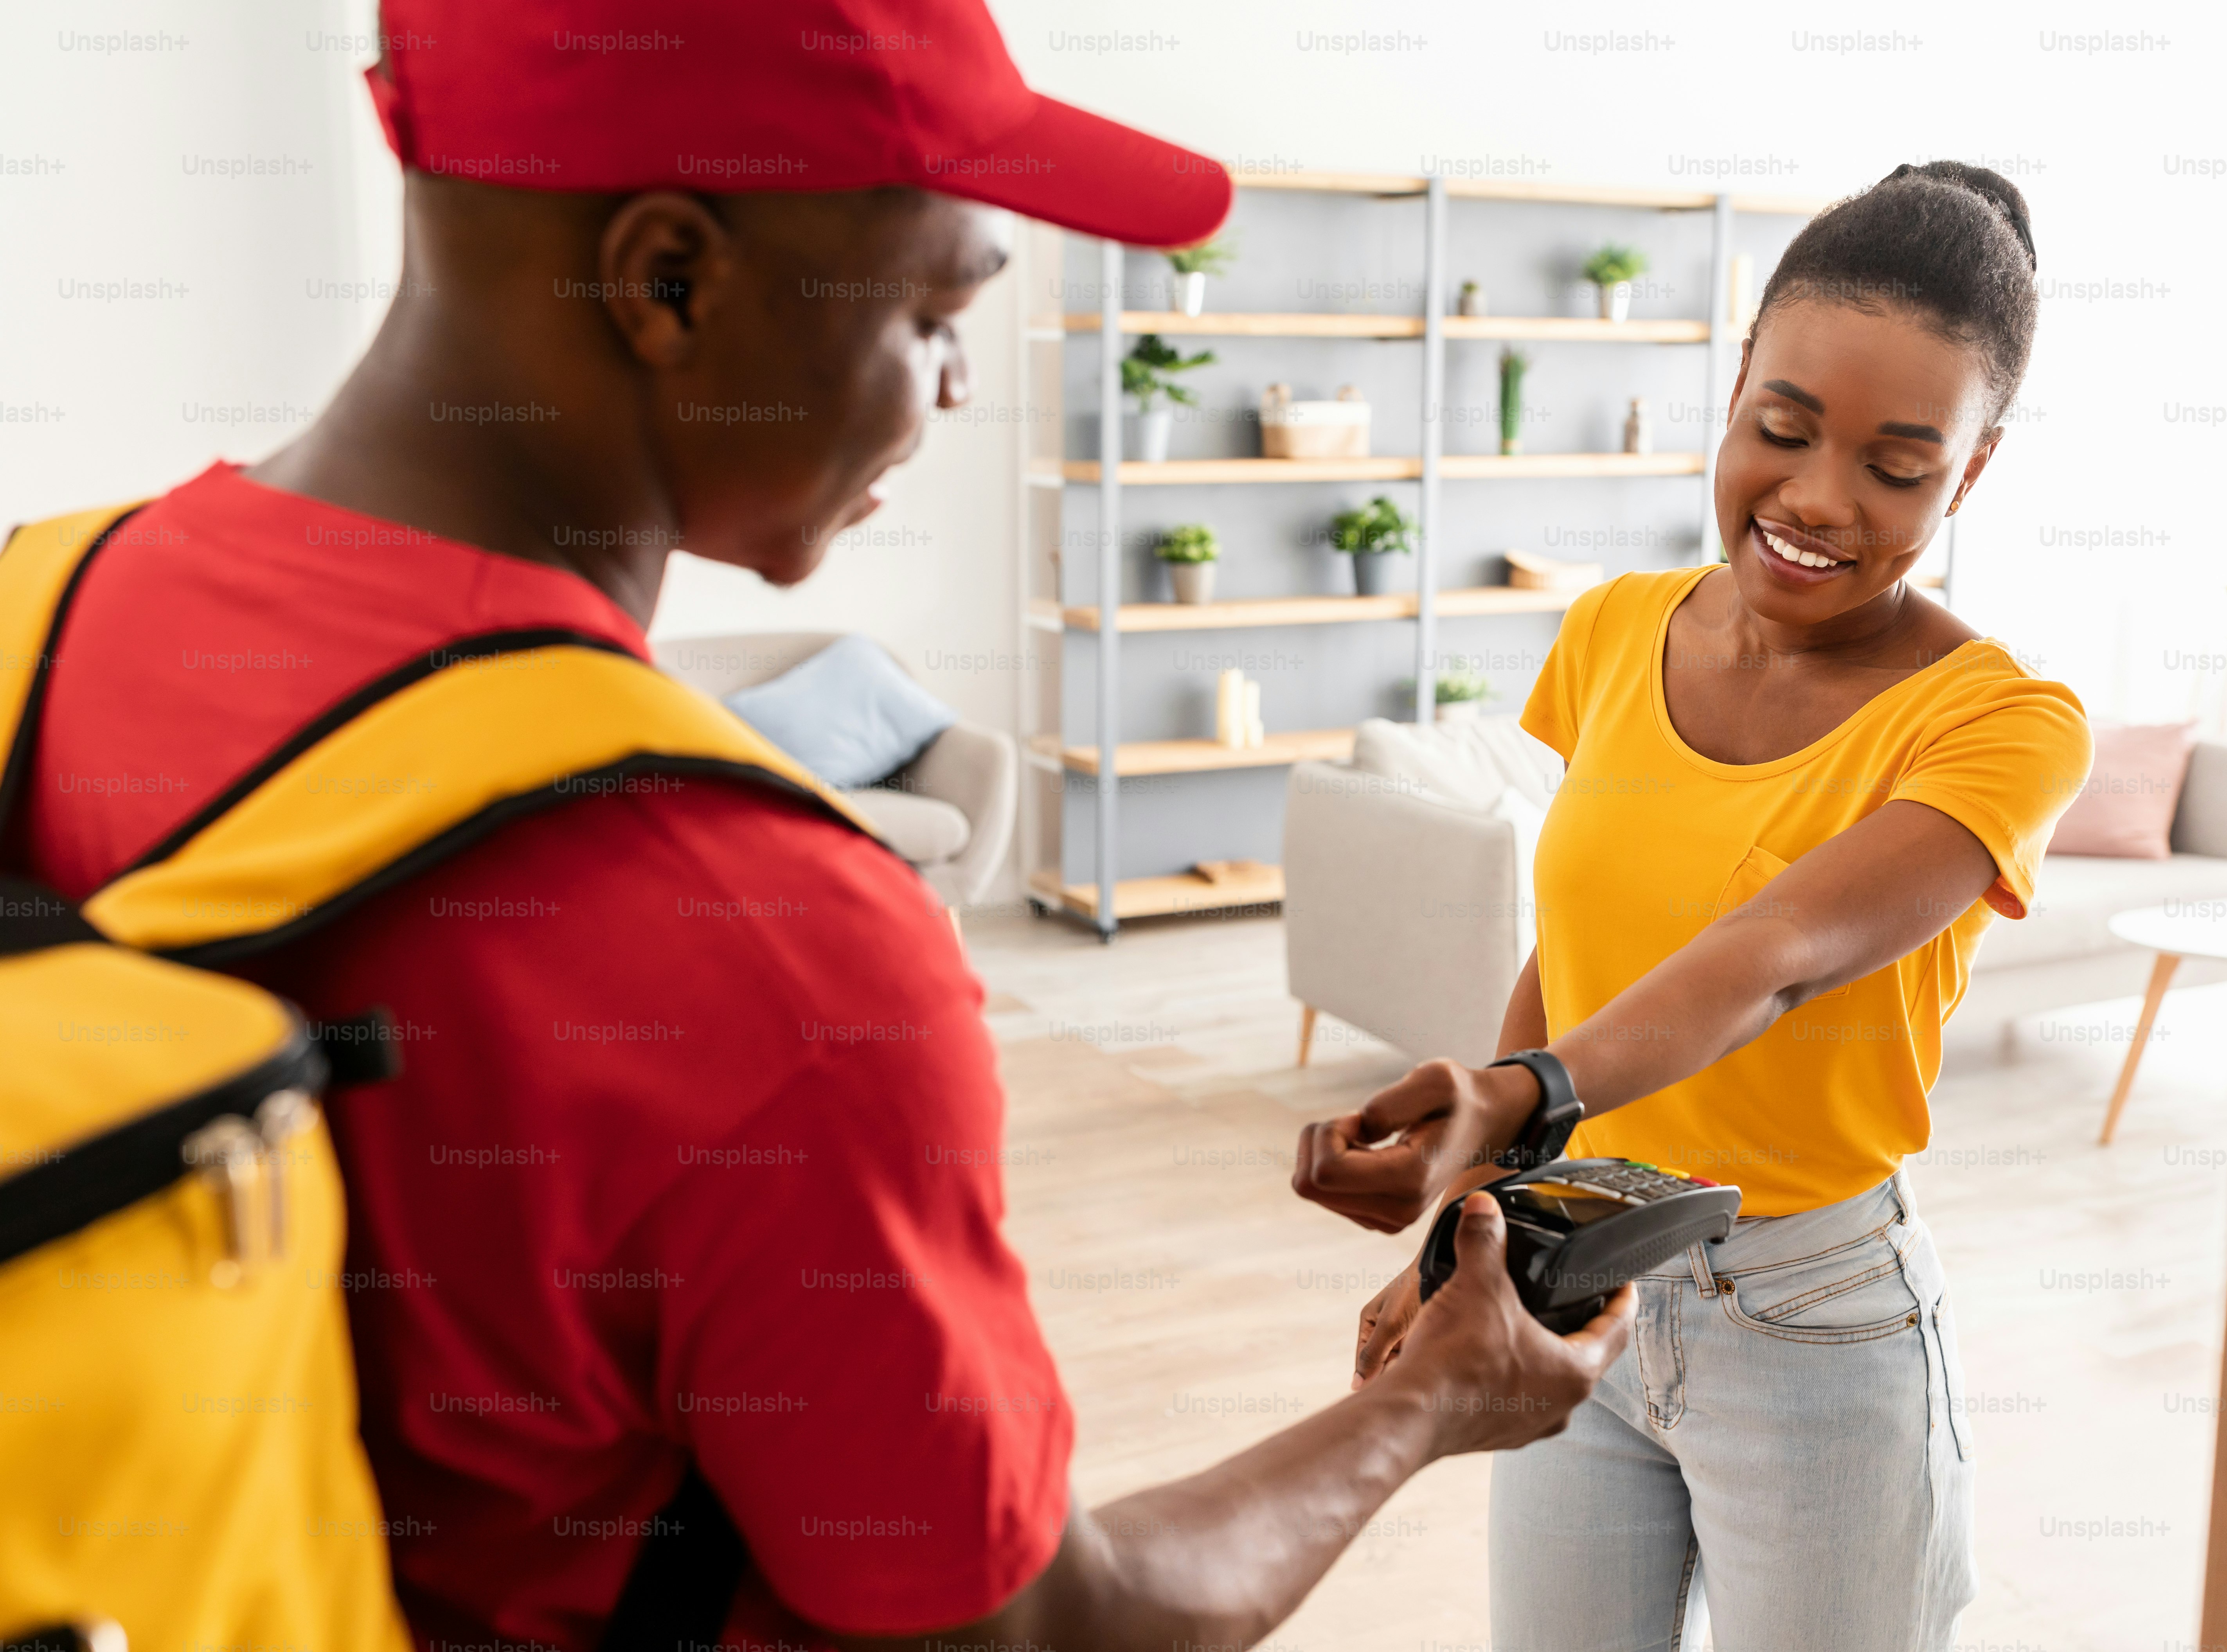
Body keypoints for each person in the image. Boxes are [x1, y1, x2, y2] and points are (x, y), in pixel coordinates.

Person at [11, 1, 1632, 1645]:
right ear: (669, 283)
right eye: (934, 308)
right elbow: (1038, 1629)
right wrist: (1430, 1402)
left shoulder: (33, 615)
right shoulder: (771, 943)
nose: (946, 384)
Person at [1293, 162, 2093, 1650]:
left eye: (1899, 468)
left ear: (1971, 473)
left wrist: (1510, 1090)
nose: (1815, 499)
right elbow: (1575, 954)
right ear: (1734, 387)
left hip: (1817, 1323)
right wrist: (1469, 1230)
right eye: (1782, 429)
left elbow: (1776, 954)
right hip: (1575, 1275)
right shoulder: (1611, 633)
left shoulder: (2006, 722)